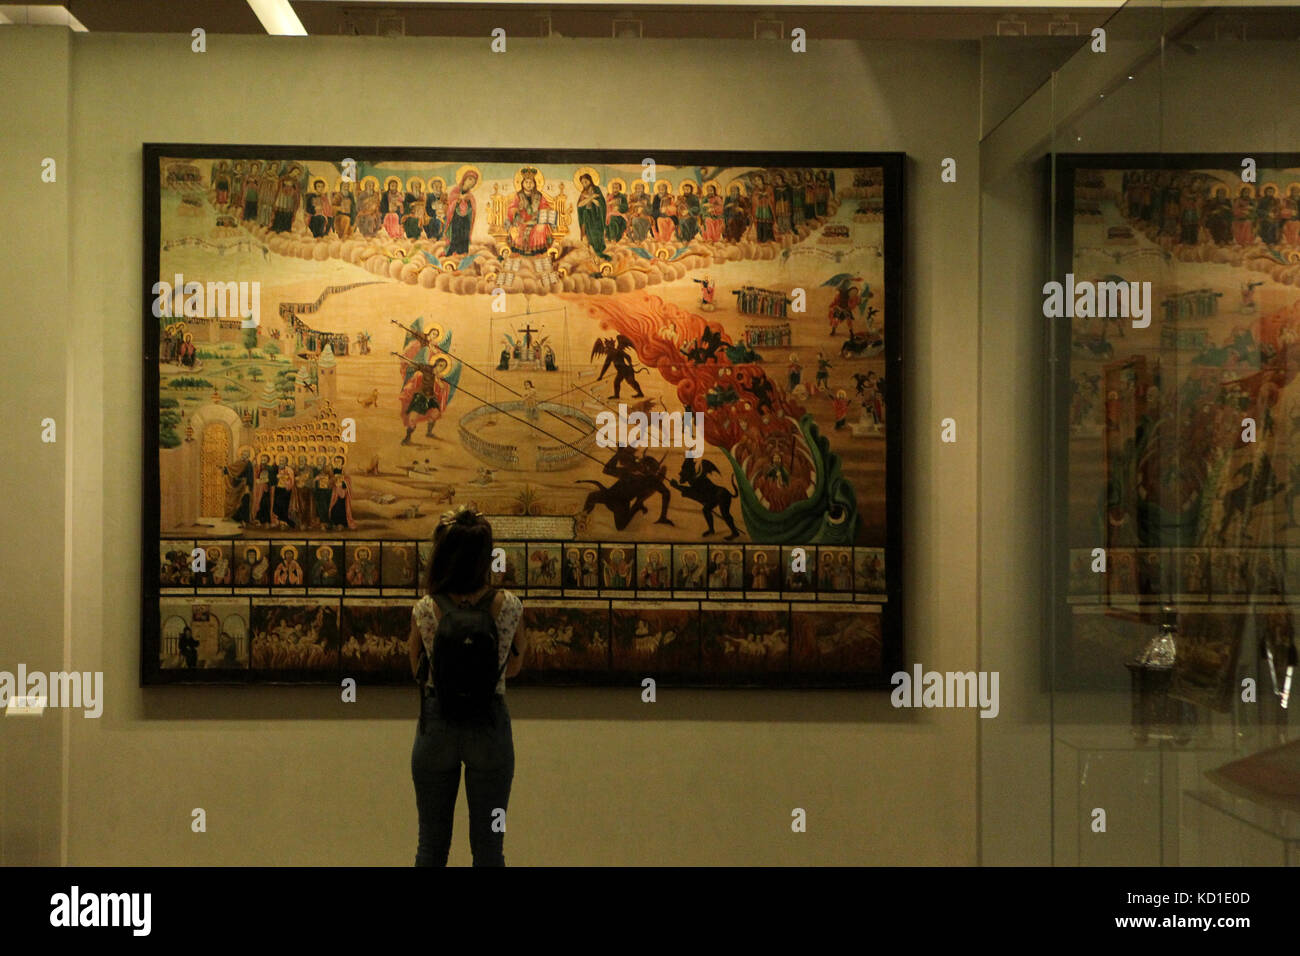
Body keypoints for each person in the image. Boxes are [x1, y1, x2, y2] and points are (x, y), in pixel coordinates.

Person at [408, 507, 526, 867]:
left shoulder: (426, 608)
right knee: (490, 847)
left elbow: (416, 668)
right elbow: (516, 667)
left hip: (437, 726)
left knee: (430, 844)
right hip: (490, 726)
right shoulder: (509, 606)